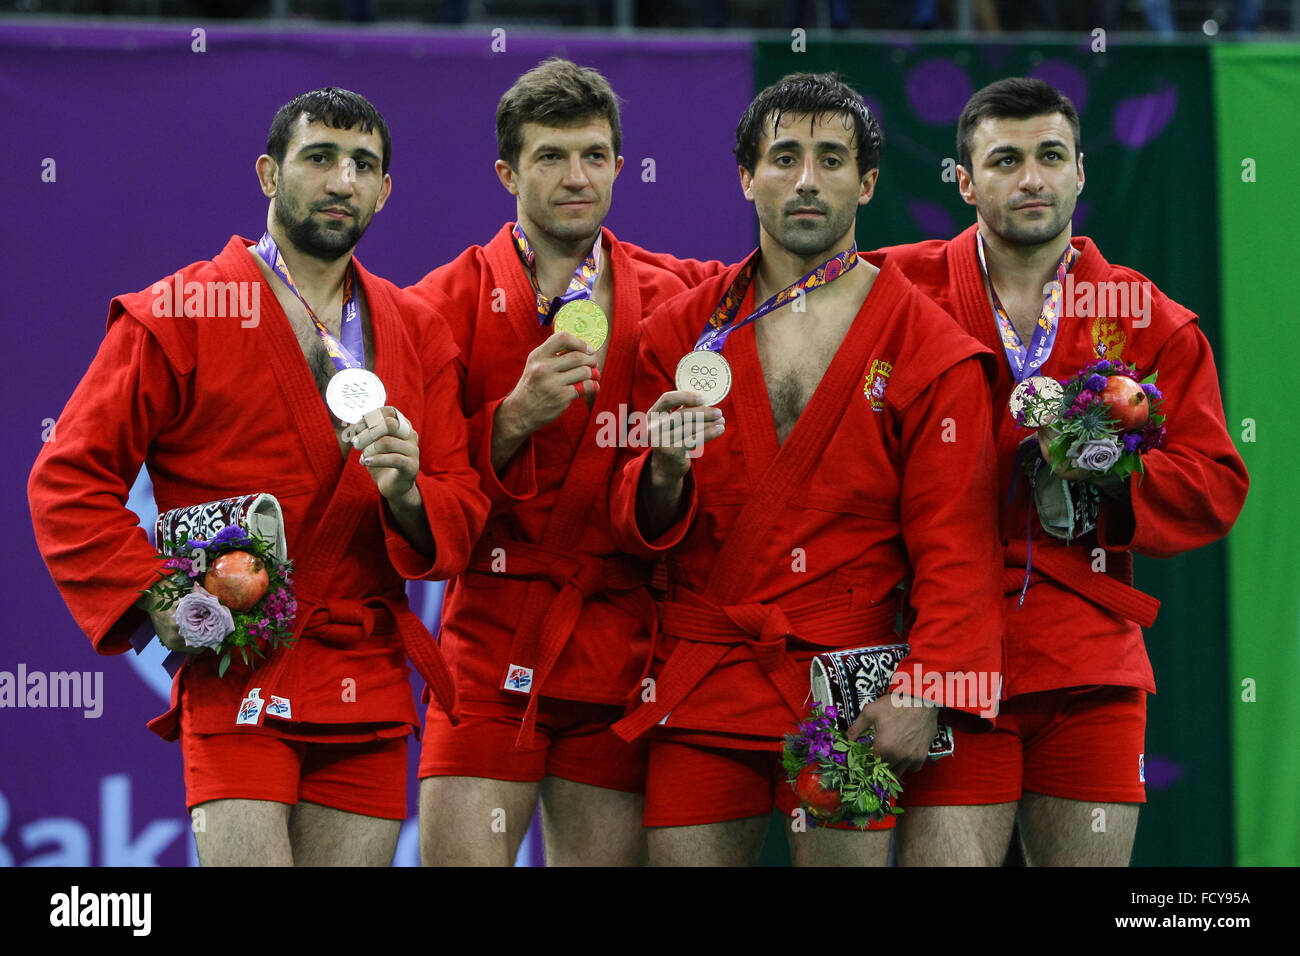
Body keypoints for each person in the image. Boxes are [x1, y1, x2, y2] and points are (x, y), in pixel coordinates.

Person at [27, 88, 490, 866]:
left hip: (364, 673)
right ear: (269, 174)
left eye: (363, 165)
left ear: (385, 190)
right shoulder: (181, 311)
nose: (342, 180)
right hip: (242, 664)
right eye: (319, 158)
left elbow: (462, 513)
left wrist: (411, 493)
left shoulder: (418, 331)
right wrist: (161, 595)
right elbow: (67, 479)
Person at [609, 72, 1003, 866]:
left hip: (847, 686)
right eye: (784, 157)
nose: (807, 180)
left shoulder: (929, 345)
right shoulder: (678, 331)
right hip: (707, 676)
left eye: (831, 159)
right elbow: (631, 527)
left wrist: (927, 685)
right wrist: (661, 476)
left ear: (867, 183)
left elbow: (957, 542)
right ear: (747, 176)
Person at [876, 77, 1249, 865]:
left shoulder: (1151, 319)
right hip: (946, 654)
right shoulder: (895, 291)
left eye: (1050, 156)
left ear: (1081, 171)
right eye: (1005, 160)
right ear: (965, 181)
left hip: (1086, 659)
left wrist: (1112, 471)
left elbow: (1215, 484)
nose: (1032, 179)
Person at [407, 58, 722, 866]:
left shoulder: (679, 293)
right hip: (487, 638)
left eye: (593, 155)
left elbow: (804, 283)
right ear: (508, 172)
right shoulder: (439, 302)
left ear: (619, 165)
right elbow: (418, 485)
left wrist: (666, 471)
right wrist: (510, 420)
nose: (575, 176)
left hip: (617, 642)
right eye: (550, 157)